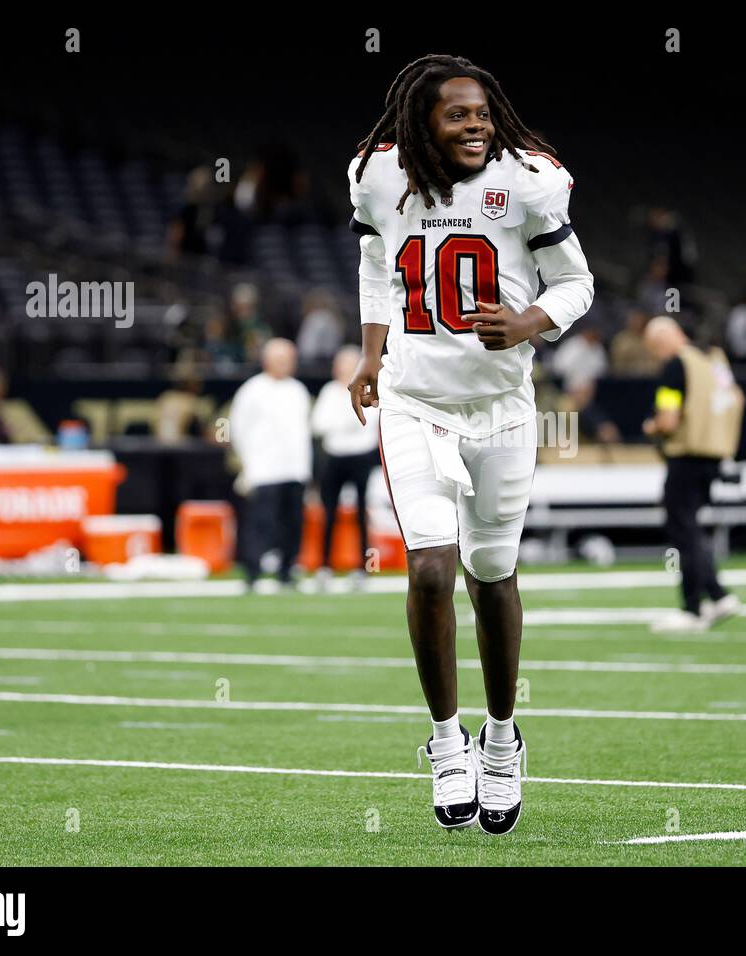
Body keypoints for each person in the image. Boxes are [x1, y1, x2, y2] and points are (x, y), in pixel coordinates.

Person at [347, 55, 593, 834]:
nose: (476, 123)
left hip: (502, 407)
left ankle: (500, 737)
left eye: (482, 112)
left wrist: (526, 324)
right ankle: (446, 741)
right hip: (415, 400)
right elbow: (376, 265)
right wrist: (368, 353)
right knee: (428, 560)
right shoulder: (381, 176)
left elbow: (577, 284)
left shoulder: (526, 178)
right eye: (457, 114)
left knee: (491, 574)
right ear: (423, 122)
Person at [642, 316, 743, 632]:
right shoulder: (715, 361)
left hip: (686, 456)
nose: (656, 355)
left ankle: (693, 607)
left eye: (654, 348)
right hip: (714, 456)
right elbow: (735, 400)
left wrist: (651, 426)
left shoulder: (676, 366)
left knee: (683, 531)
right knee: (692, 530)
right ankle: (717, 594)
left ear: (662, 340)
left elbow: (668, 420)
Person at [230, 339, 312, 592]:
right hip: (264, 469)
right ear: (267, 361)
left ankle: (287, 571)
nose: (285, 364)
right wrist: (249, 461)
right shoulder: (252, 390)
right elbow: (237, 428)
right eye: (280, 359)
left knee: (293, 523)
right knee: (261, 522)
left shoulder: (298, 390)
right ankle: (252, 571)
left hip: (294, 469)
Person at [311, 346, 380, 588]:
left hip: (361, 457)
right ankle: (325, 565)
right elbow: (319, 424)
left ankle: (363, 567)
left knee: (362, 513)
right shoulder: (329, 391)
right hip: (335, 458)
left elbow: (369, 423)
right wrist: (346, 421)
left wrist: (341, 423)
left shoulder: (368, 389)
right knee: (329, 513)